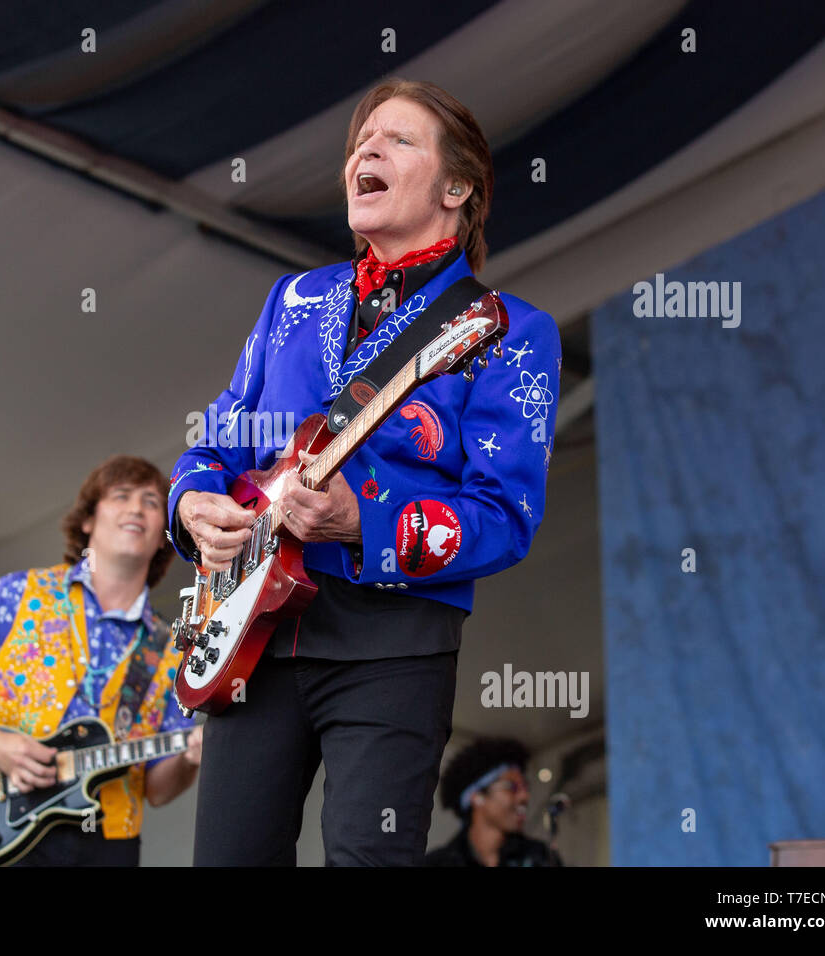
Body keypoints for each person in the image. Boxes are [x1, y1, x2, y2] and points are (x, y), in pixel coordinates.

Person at [168, 78, 561, 865]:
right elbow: (217, 440)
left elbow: (506, 515)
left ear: (458, 187)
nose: (365, 152)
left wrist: (366, 524)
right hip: (254, 636)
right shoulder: (294, 299)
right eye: (360, 142)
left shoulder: (513, 332)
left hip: (394, 643)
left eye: (397, 140)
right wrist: (193, 504)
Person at [0, 455, 203, 866]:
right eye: (121, 496)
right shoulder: (18, 593)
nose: (137, 508)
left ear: (164, 536)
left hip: (106, 843)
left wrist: (191, 757)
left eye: (153, 502)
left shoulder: (173, 646)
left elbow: (158, 789)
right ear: (87, 520)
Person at [425, 737, 562, 866]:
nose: (524, 796)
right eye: (511, 787)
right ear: (477, 796)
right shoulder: (437, 863)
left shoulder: (541, 858)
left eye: (525, 787)